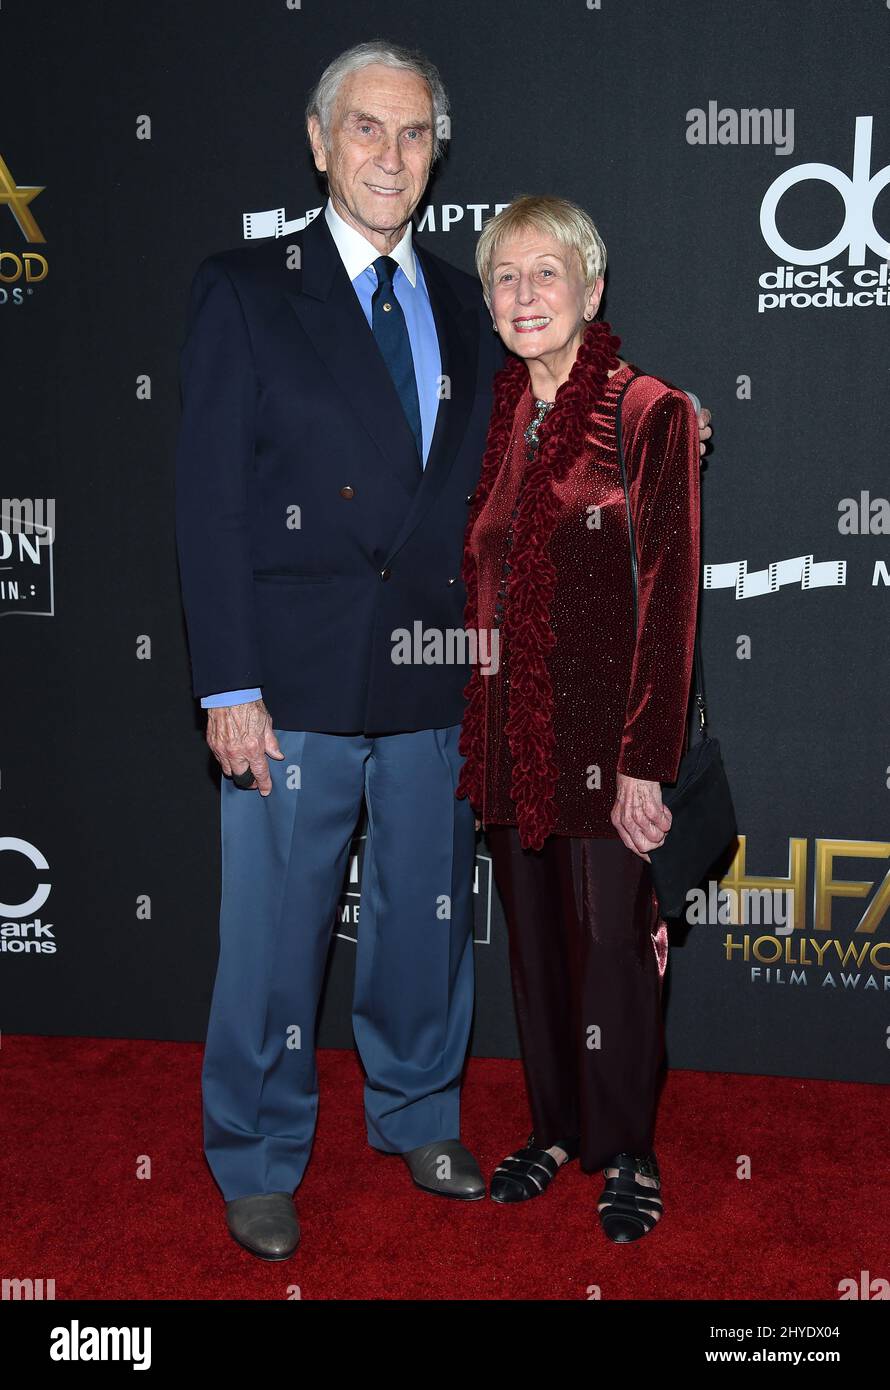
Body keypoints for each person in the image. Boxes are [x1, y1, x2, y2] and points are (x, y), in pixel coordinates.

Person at [175, 43, 712, 1262]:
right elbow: (206, 502)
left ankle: (417, 1112)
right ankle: (257, 1153)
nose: (388, 154)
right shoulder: (246, 288)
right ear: (319, 143)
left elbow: (568, 416)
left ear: (436, 155)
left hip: (439, 680)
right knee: (271, 943)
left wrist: (667, 420)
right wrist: (227, 685)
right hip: (289, 687)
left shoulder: (472, 307)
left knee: (421, 925)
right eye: (364, 129)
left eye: (413, 135)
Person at [457, 196, 701, 1242]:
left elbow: (673, 593)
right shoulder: (497, 415)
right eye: (503, 277)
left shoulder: (646, 410)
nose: (523, 295)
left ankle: (626, 1144)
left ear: (590, 290)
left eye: (544, 273)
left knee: (611, 951)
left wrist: (646, 759)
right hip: (513, 741)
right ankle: (554, 1124)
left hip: (610, 749)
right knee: (536, 947)